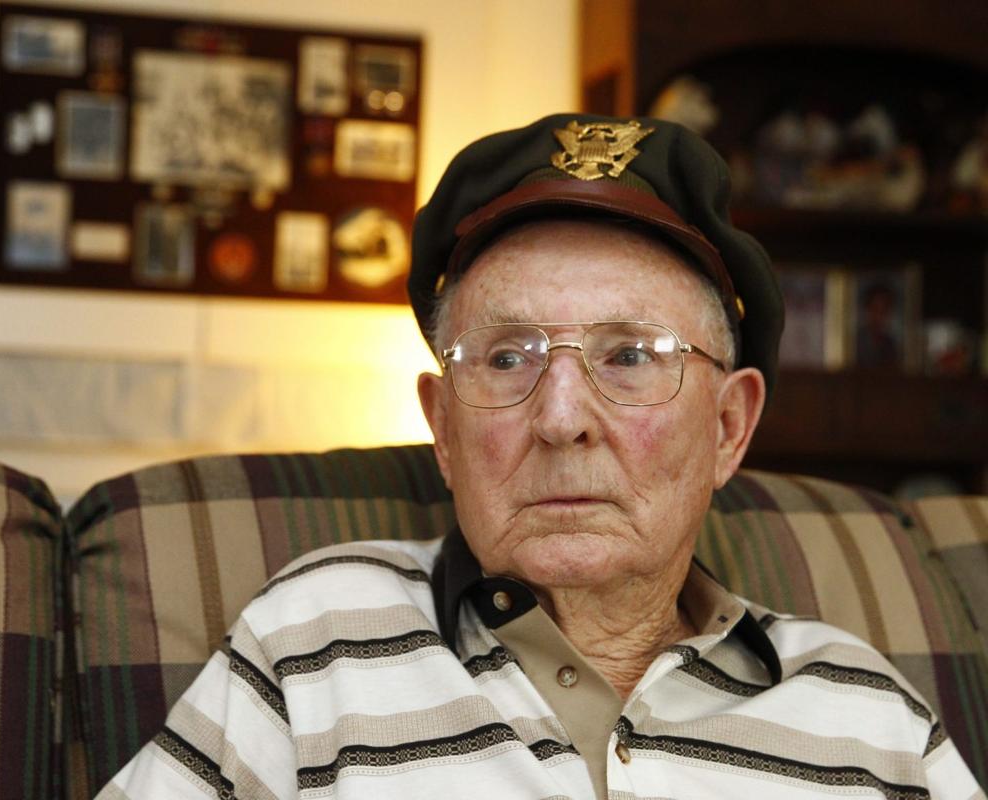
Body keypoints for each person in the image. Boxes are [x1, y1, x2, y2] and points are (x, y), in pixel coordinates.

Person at [97, 115, 984, 799]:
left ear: (727, 427)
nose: (562, 419)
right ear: (442, 427)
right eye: (509, 356)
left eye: (631, 356)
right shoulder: (314, 638)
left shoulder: (868, 712)